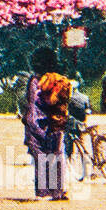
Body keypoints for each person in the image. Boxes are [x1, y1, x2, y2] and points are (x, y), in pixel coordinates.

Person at [23, 47, 69, 201]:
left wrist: (33, 126)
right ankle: (58, 191)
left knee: (41, 158)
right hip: (55, 123)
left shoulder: (35, 81)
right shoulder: (58, 79)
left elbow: (32, 106)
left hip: (38, 123)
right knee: (57, 156)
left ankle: (44, 192)